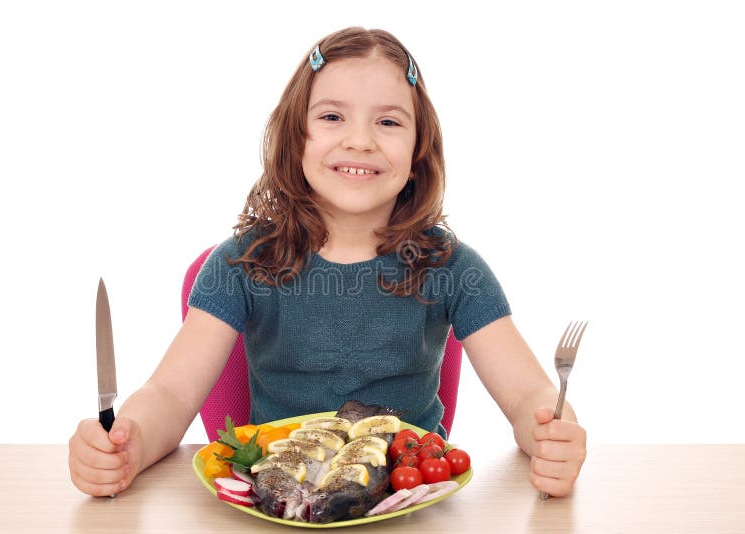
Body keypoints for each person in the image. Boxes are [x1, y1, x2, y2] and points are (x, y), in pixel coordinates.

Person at [69, 27, 586, 499]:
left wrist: (552, 434)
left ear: (417, 150)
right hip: (280, 500)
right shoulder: (239, 266)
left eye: (387, 121)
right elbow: (170, 393)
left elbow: (526, 393)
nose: (359, 139)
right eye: (333, 117)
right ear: (297, 137)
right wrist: (128, 441)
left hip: (409, 502)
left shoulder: (453, 268)